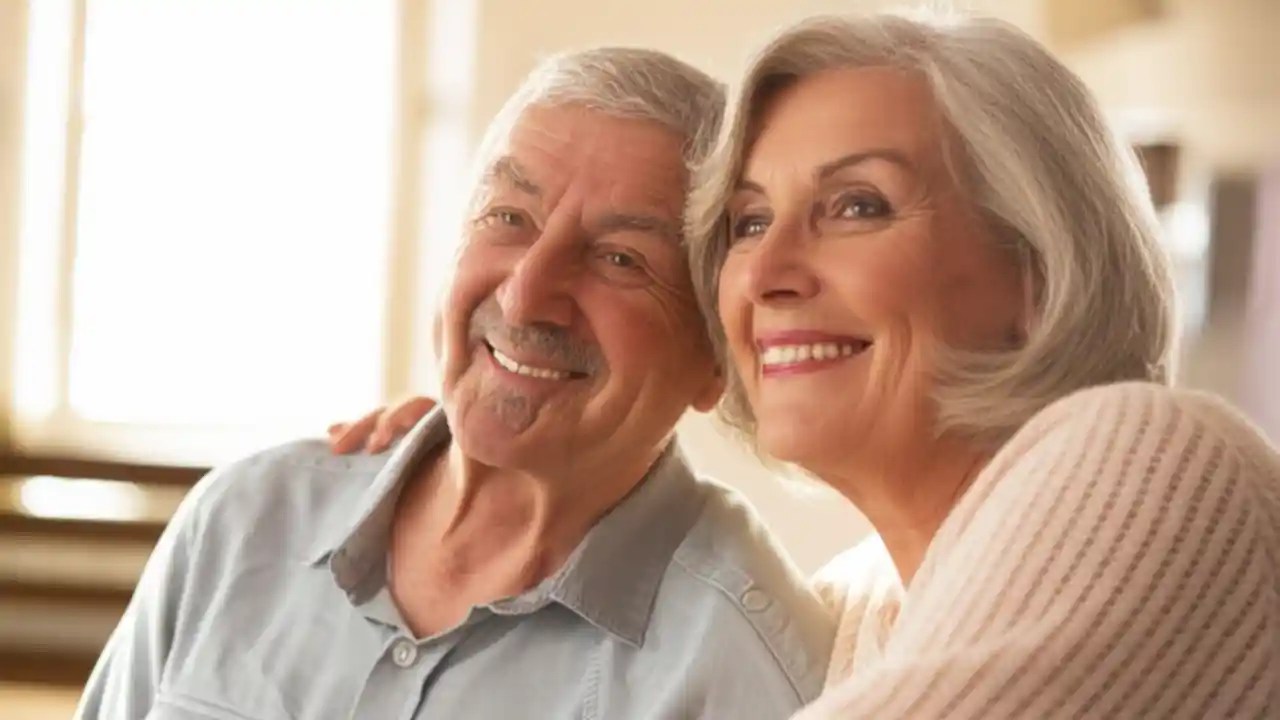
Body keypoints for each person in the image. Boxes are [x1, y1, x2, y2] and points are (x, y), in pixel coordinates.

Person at [334, 12, 1280, 719]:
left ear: (1034, 267)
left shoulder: (1154, 453)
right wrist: (470, 463)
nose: (767, 273)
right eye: (750, 221)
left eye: (858, 205)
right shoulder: (848, 609)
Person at [76, 47, 834, 720]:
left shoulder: (750, 668)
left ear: (716, 356)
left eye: (620, 260)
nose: (526, 295)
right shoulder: (244, 520)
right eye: (508, 217)